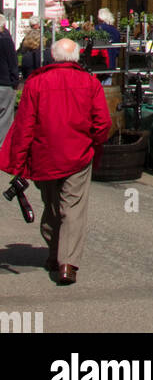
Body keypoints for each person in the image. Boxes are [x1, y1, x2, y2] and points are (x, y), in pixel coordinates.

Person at [0, 36, 112, 285]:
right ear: (76, 58)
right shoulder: (89, 82)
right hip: (78, 154)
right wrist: (94, 143)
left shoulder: (36, 82)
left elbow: (24, 125)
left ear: (53, 57)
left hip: (44, 155)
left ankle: (54, 254)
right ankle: (67, 263)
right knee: (71, 208)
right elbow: (103, 122)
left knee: (51, 206)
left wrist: (17, 162)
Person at [0, 15, 19, 143]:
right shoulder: (5, 39)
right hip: (5, 82)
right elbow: (13, 62)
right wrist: (15, 80)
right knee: (5, 117)